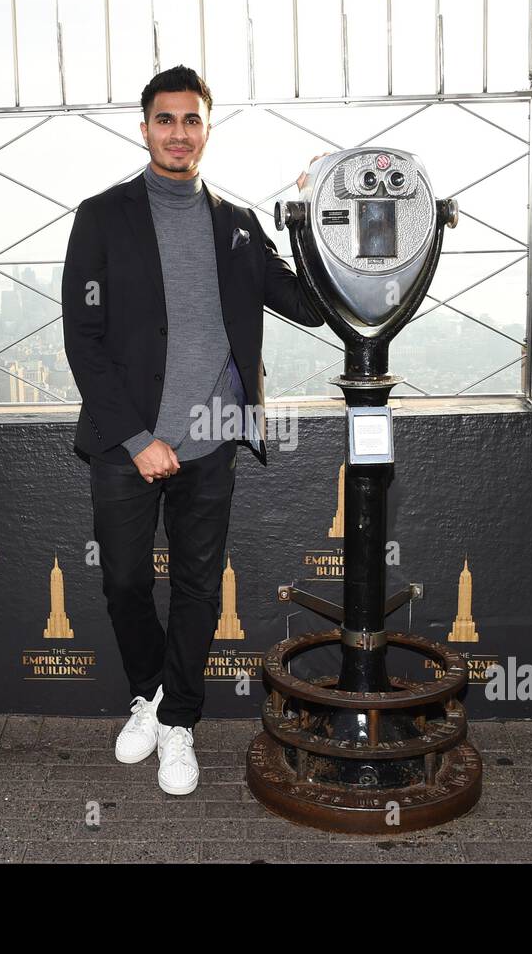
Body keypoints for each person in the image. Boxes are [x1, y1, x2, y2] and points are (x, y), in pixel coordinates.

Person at [61, 65, 325, 795]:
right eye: (165, 119)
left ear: (208, 128)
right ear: (144, 127)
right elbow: (82, 337)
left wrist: (307, 216)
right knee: (122, 584)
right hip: (128, 443)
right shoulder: (101, 216)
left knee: (199, 589)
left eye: (192, 119)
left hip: (211, 439)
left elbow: (306, 304)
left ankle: (177, 720)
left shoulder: (236, 224)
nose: (179, 132)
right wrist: (137, 439)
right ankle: (149, 692)